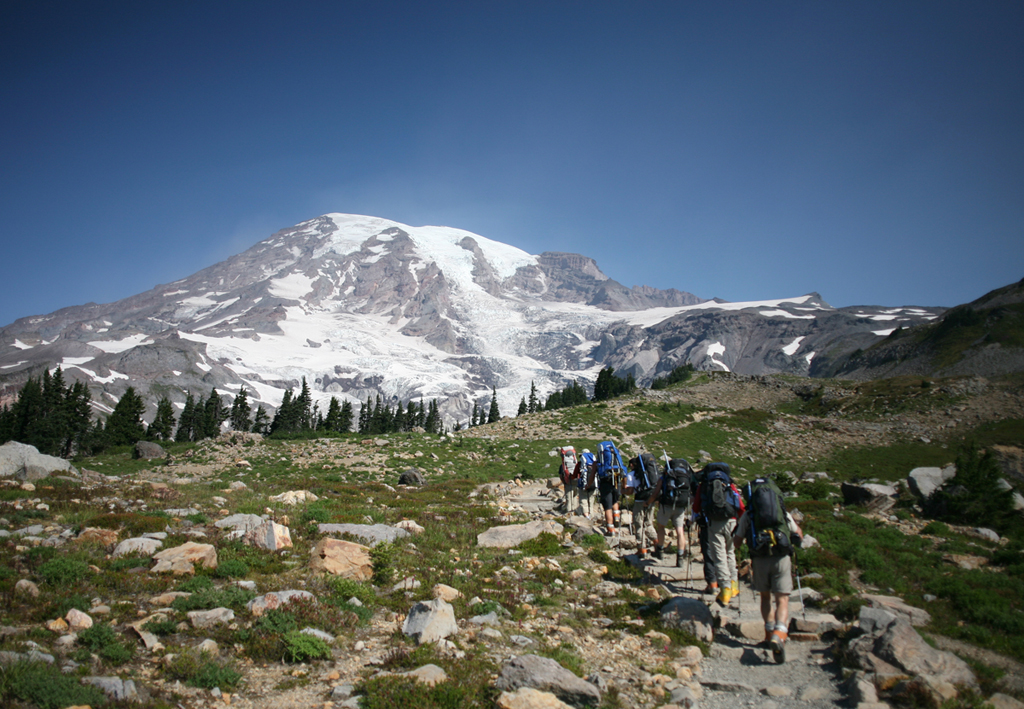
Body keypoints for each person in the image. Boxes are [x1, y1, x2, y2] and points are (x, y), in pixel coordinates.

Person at [732, 475, 803, 662]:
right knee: (782, 599)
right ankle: (780, 633)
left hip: (760, 558)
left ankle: (768, 632)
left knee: (765, 597)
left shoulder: (749, 514)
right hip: (782, 556)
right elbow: (798, 534)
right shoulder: (782, 512)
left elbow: (737, 543)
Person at [693, 462, 744, 605]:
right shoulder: (729, 483)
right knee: (730, 553)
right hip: (732, 520)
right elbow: (740, 505)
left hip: (714, 523)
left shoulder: (704, 485)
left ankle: (725, 588)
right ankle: (734, 584)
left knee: (719, 555)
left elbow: (696, 507)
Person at [644, 457, 692, 566]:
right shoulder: (686, 476)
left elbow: (656, 493)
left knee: (661, 527)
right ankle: (680, 557)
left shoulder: (665, 476)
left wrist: (648, 502)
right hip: (680, 506)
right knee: (680, 531)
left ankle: (660, 551)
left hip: (666, 505)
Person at [625, 454, 658, 558]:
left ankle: (641, 549)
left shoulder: (632, 474)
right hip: (650, 498)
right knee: (648, 523)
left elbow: (630, 491)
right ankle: (657, 543)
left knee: (639, 524)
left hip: (639, 500)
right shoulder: (649, 473)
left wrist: (622, 490)